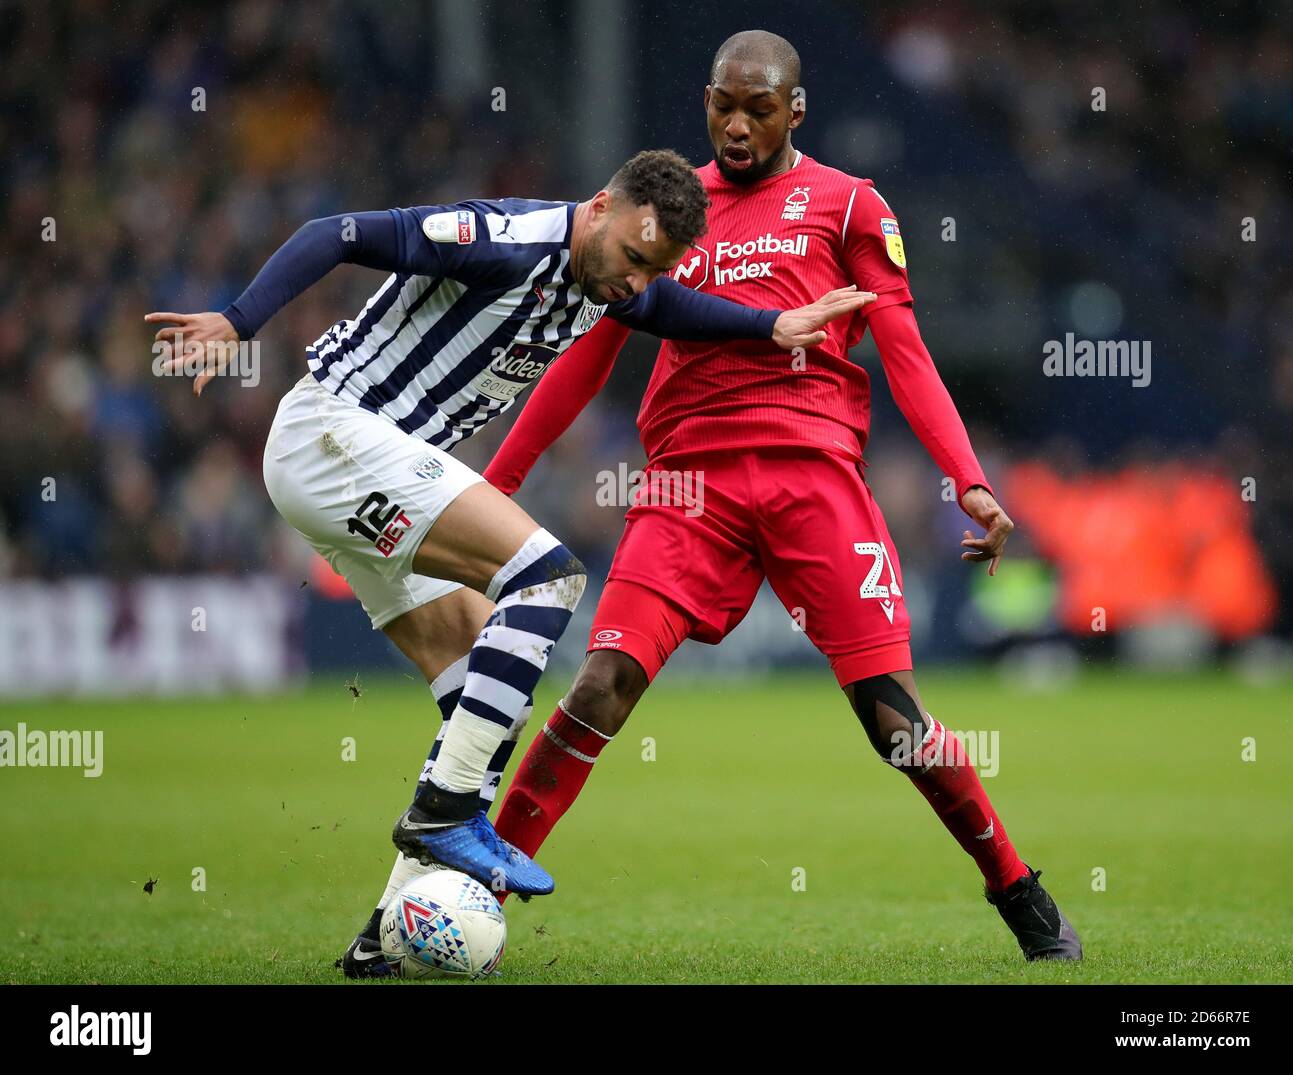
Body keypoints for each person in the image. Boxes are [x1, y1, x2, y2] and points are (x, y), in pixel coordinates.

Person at [145, 147, 872, 975]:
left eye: (652, 268)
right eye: (633, 258)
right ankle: (444, 812)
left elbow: (669, 306)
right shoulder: (504, 238)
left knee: (486, 703)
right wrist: (236, 323)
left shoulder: (611, 282)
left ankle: (383, 938)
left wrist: (770, 325)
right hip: (335, 434)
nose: (634, 283)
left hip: (358, 466)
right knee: (549, 576)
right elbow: (335, 232)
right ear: (599, 208)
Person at [482, 33, 1082, 963]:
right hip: (690, 483)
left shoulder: (848, 204)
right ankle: (478, 886)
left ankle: (1018, 889)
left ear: (795, 111)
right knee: (600, 681)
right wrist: (498, 484)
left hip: (814, 479)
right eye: (724, 103)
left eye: (759, 108)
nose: (736, 123)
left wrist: (968, 478)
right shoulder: (667, 204)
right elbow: (588, 353)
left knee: (893, 720)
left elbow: (907, 351)